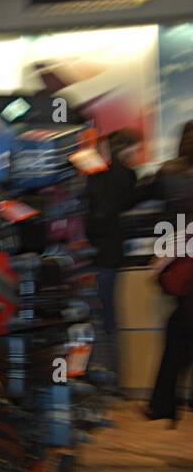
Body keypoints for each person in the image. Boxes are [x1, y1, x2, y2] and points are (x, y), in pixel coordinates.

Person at [84, 128, 142, 384]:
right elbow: (126, 205)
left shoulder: (94, 176)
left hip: (90, 256)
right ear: (124, 148)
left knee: (94, 320)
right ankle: (114, 380)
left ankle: (98, 380)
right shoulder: (127, 175)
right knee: (109, 320)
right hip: (111, 256)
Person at [144, 123, 193, 423]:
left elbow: (166, 219)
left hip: (182, 264)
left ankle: (163, 404)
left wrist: (162, 259)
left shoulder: (168, 173)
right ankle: (163, 404)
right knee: (180, 333)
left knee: (178, 333)